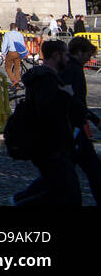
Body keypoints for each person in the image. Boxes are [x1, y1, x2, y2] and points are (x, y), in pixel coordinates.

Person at [13, 39, 83, 206]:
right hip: (51, 145)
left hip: (52, 145)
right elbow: (48, 112)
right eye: (66, 55)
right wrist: (66, 96)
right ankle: (20, 202)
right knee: (68, 193)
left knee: (60, 189)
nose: (68, 59)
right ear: (57, 56)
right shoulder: (46, 80)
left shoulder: (43, 77)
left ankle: (20, 201)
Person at [61, 36, 100, 205]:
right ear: (78, 52)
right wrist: (93, 119)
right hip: (73, 127)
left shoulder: (69, 66)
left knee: (62, 172)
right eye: (87, 55)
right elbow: (74, 98)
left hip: (73, 126)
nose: (89, 59)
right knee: (94, 171)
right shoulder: (73, 69)